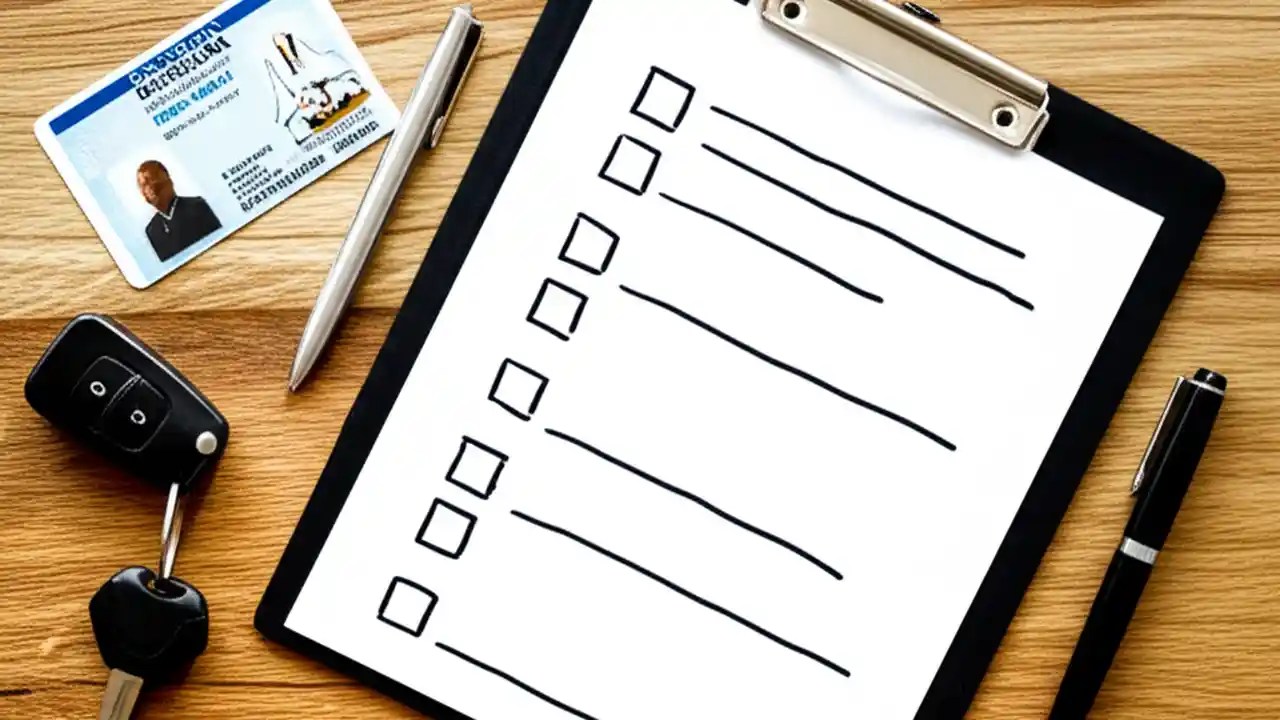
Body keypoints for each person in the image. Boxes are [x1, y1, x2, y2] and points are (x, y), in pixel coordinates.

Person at [136, 160, 222, 261]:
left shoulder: (197, 206)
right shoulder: (152, 230)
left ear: (169, 181)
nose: (150, 188)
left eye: (152, 181)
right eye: (143, 185)